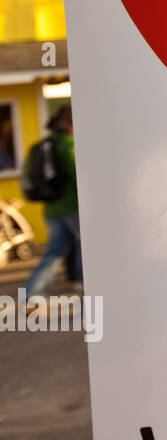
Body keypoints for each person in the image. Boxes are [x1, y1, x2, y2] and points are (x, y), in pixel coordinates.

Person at [23, 104, 81, 305]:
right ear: (69, 123)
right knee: (85, 247)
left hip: (52, 208)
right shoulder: (68, 145)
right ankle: (87, 286)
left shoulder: (45, 143)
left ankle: (34, 291)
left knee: (55, 250)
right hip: (72, 207)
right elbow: (78, 177)